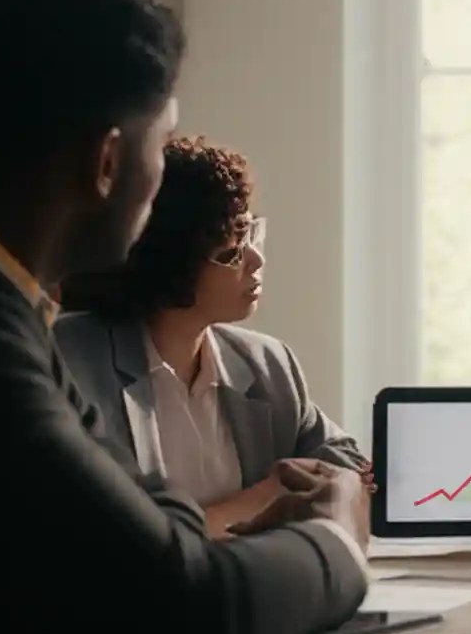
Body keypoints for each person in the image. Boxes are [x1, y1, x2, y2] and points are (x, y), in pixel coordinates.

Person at [0, 0, 369, 634]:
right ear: (105, 163)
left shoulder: (12, 310)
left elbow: (143, 519)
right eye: (160, 145)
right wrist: (336, 542)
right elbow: (189, 609)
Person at [56, 136, 368, 538]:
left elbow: (346, 462)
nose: (256, 260)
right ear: (172, 264)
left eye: (250, 233)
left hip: (246, 590)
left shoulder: (267, 363)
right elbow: (105, 534)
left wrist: (265, 494)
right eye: (231, 251)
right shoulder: (71, 362)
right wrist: (266, 496)